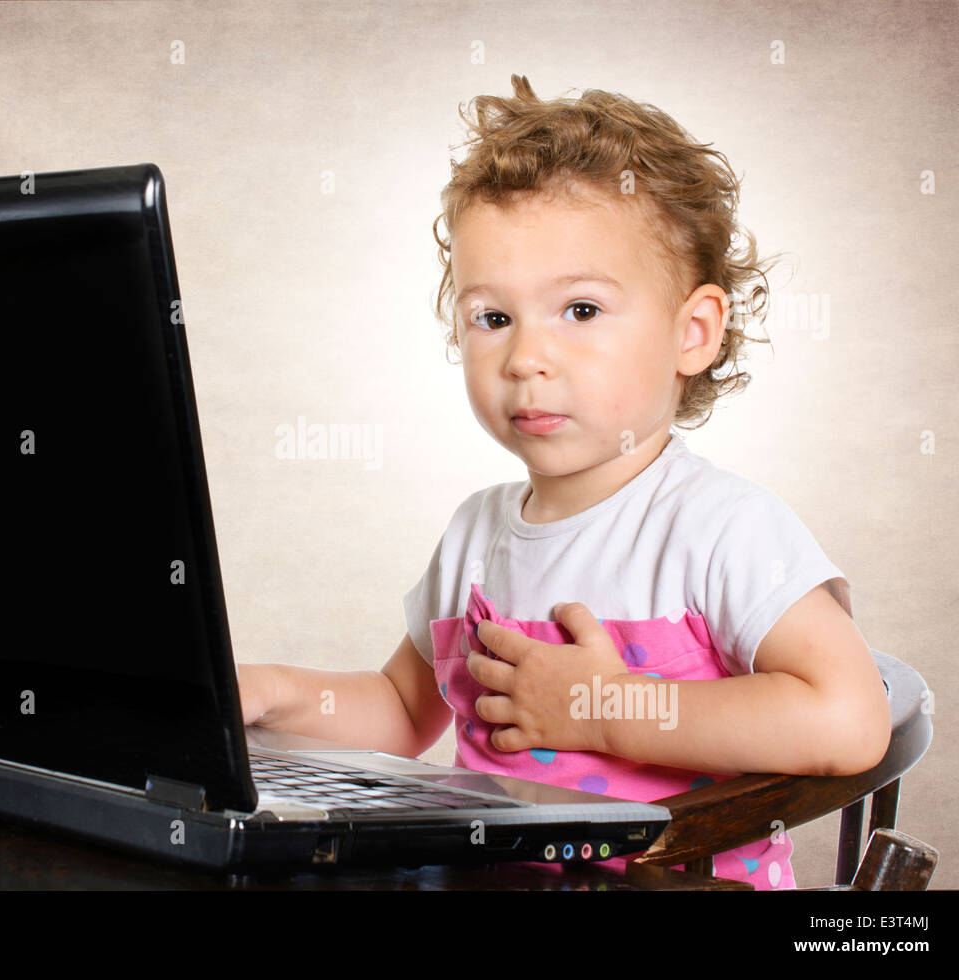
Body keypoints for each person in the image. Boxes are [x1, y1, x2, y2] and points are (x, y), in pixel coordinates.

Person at [236, 75, 890, 889]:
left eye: (580, 310)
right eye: (494, 318)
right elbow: (404, 714)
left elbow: (850, 718)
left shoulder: (718, 527)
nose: (525, 357)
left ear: (693, 332)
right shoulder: (478, 533)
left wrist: (604, 708)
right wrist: (267, 692)